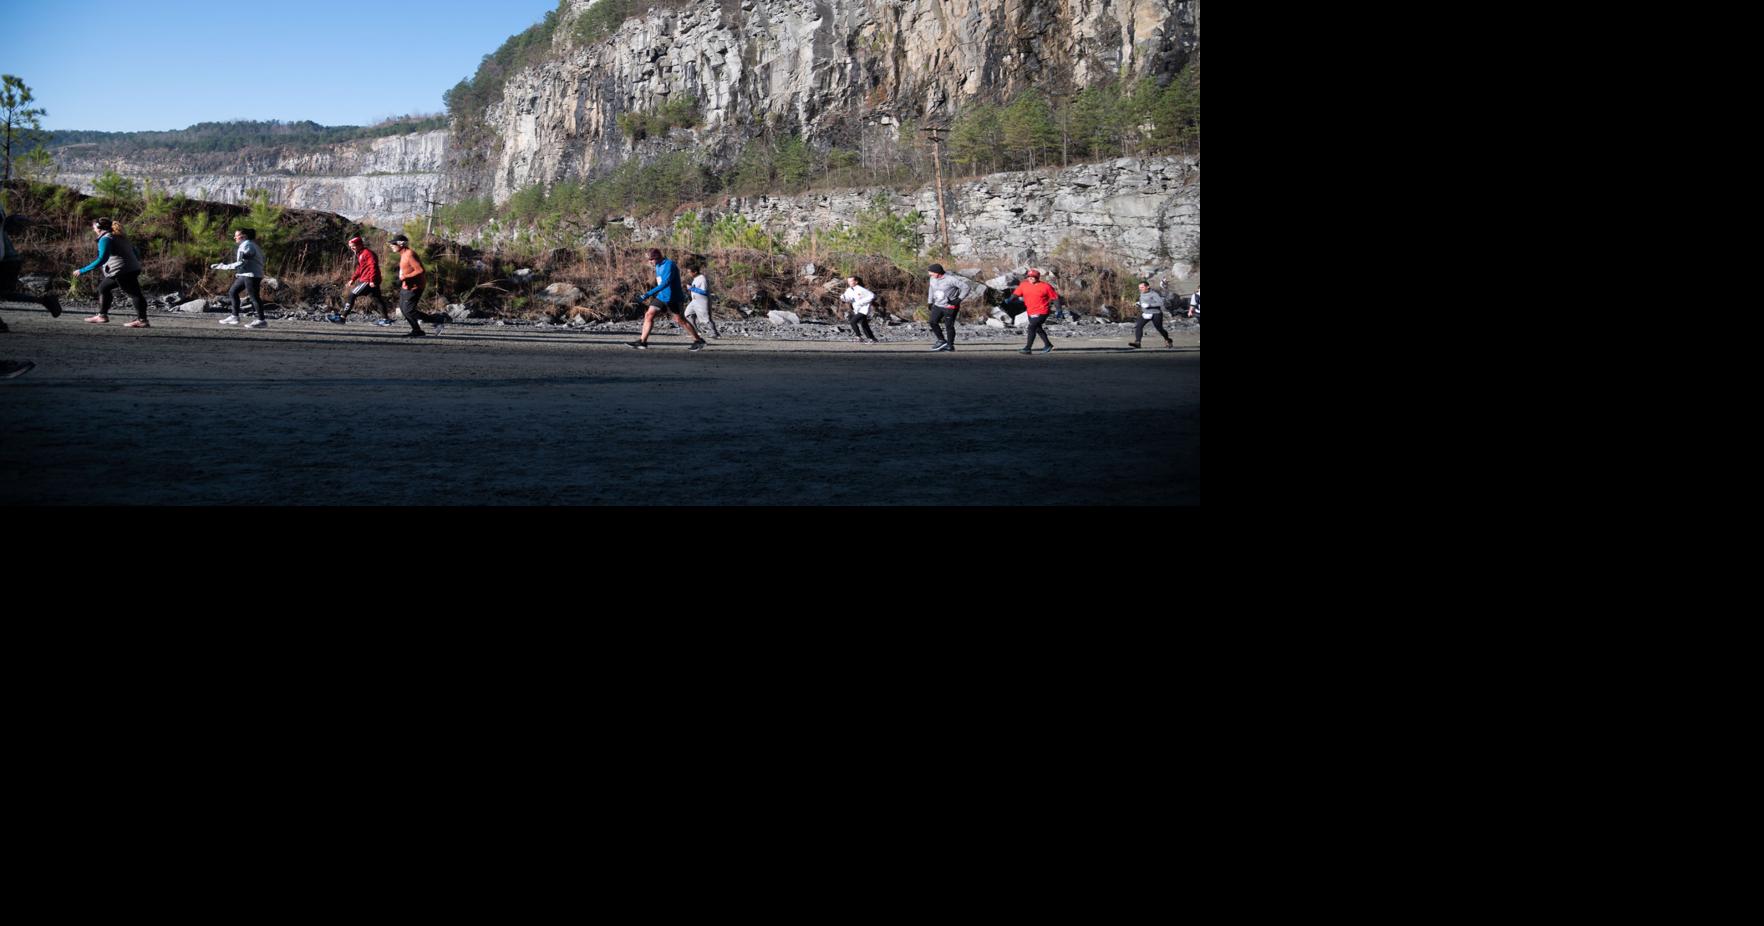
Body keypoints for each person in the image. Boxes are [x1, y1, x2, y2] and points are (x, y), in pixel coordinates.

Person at [1, 200, 63, 332]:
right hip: (10, 259)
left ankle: (44, 300)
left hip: (5, 260)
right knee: (5, 293)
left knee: (5, 293)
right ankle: (43, 301)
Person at [75, 218, 150, 327]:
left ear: (99, 228)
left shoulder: (105, 239)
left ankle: (142, 320)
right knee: (103, 288)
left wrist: (82, 270)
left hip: (122, 271)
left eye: (94, 228)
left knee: (135, 294)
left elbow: (102, 259)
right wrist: (131, 263)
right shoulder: (120, 237)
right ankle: (102, 316)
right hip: (130, 269)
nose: (93, 230)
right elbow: (136, 252)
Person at [627, 248, 705, 351]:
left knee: (679, 320)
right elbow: (660, 283)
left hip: (673, 297)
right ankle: (642, 341)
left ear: (657, 257)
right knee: (649, 314)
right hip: (661, 296)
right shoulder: (658, 265)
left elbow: (665, 283)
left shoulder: (669, 265)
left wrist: (647, 294)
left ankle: (698, 340)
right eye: (649, 260)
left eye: (651, 259)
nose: (649, 262)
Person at [390, 234, 448, 337]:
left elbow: (420, 270)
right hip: (406, 286)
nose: (391, 245)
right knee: (404, 310)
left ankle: (437, 319)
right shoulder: (403, 254)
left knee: (409, 310)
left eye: (393, 243)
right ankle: (417, 330)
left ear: (401, 244)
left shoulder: (409, 254)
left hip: (415, 287)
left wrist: (405, 277)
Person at [212, 227, 268, 328]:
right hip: (245, 274)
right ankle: (234, 316)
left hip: (251, 275)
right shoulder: (247, 245)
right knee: (233, 292)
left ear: (243, 236)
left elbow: (241, 263)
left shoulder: (247, 246)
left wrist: (223, 266)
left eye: (236, 236)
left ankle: (261, 320)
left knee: (254, 297)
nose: (235, 238)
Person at [331, 236, 390, 324]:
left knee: (352, 295)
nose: (352, 248)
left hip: (368, 280)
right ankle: (386, 320)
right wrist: (353, 279)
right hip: (370, 279)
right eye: (350, 246)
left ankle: (342, 317)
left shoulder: (367, 253)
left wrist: (372, 280)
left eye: (353, 246)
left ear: (359, 245)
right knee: (377, 299)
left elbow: (373, 266)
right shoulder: (360, 253)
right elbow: (360, 268)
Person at [924, 263, 972, 352]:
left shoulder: (950, 279)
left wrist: (958, 299)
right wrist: (930, 302)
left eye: (931, 272)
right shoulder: (932, 278)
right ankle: (941, 340)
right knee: (932, 322)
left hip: (950, 306)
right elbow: (931, 288)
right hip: (938, 305)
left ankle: (950, 345)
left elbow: (966, 287)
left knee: (949, 326)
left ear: (938, 272)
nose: (929, 274)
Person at [1011, 268, 1060, 355]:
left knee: (1032, 327)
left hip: (1042, 311)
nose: (1030, 278)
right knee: (1037, 328)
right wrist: (1009, 299)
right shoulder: (1024, 285)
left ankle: (1028, 348)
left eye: (1033, 276)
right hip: (1031, 311)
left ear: (1037, 277)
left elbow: (1055, 298)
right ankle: (1048, 345)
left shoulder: (1046, 286)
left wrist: (1059, 310)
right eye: (1029, 276)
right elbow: (1016, 294)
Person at [1129, 281, 1174, 349]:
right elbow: (1143, 302)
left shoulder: (1153, 294)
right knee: (1138, 326)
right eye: (1139, 287)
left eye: (1142, 287)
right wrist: (1138, 303)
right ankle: (1137, 342)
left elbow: (1161, 303)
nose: (1140, 289)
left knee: (1159, 328)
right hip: (1146, 314)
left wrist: (1149, 305)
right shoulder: (1141, 293)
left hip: (1156, 313)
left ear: (1147, 287)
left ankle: (1167, 340)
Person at [683, 259, 718, 338]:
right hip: (694, 301)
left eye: (689, 272)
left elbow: (704, 291)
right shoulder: (696, 279)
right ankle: (695, 332)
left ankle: (714, 333)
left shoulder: (702, 279)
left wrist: (692, 288)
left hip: (702, 301)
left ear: (695, 272)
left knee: (706, 318)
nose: (688, 274)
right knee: (687, 314)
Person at [841, 275, 880, 343]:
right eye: (848, 281)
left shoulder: (861, 289)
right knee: (864, 324)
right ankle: (873, 339)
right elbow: (847, 298)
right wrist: (843, 298)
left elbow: (872, 296)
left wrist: (860, 302)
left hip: (864, 309)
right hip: (857, 309)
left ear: (856, 282)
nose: (849, 283)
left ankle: (858, 337)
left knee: (853, 321)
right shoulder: (849, 290)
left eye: (851, 281)